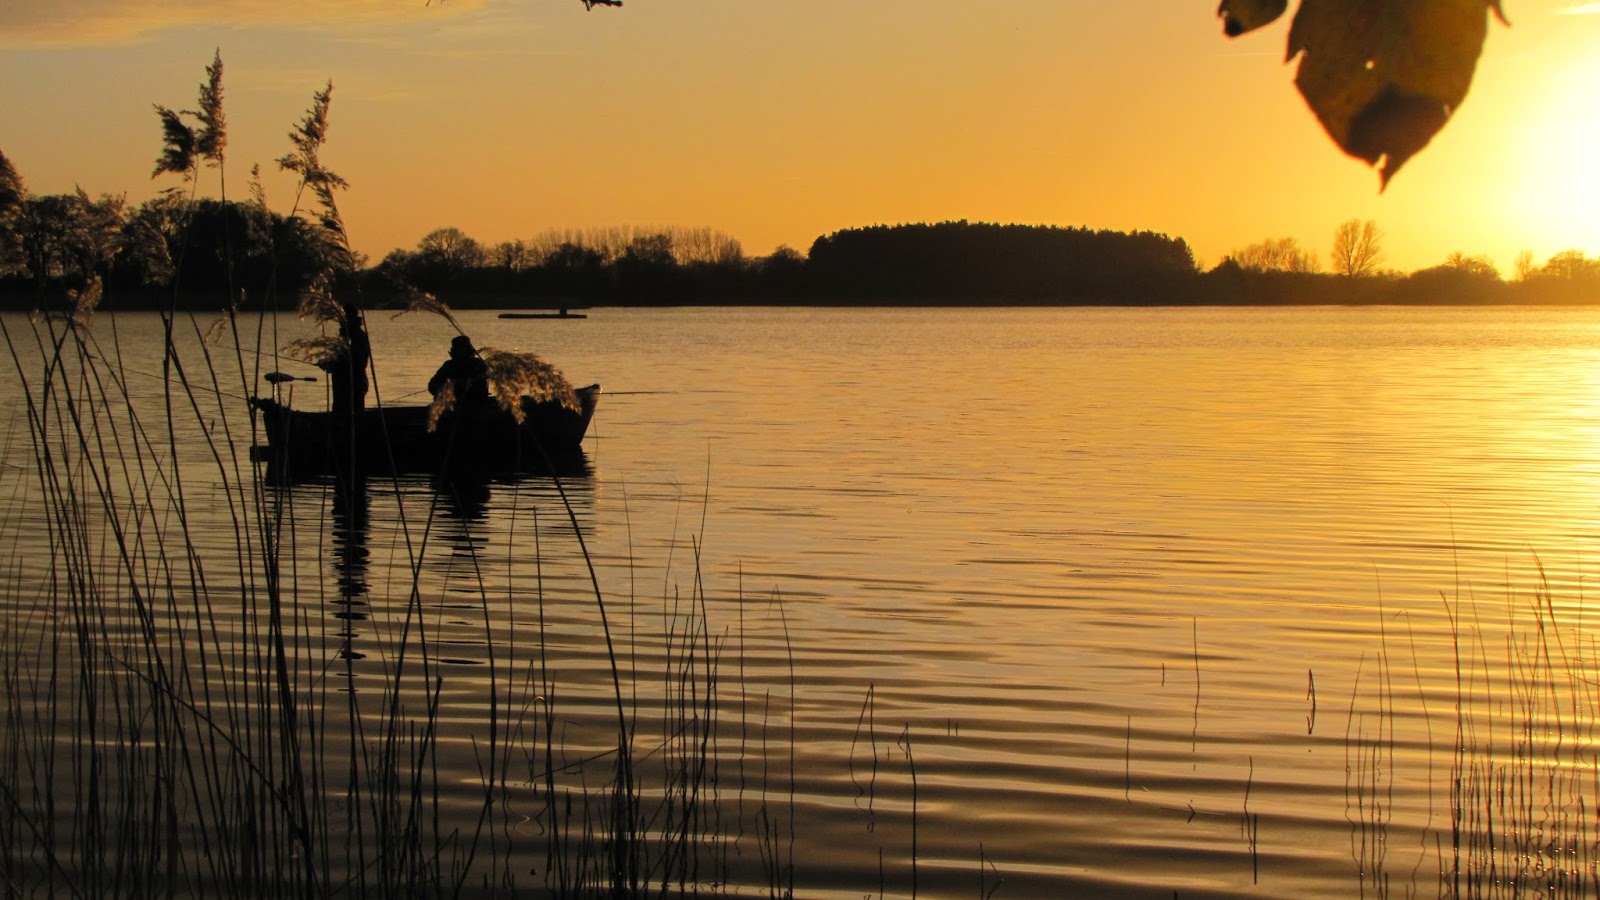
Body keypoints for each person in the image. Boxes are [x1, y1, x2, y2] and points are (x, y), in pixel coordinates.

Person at [428, 335, 491, 407]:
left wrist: (463, 383)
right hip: (451, 405)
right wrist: (444, 389)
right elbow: (432, 386)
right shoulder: (449, 365)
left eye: (458, 350)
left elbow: (480, 388)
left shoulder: (478, 365)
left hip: (475, 406)